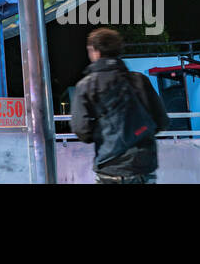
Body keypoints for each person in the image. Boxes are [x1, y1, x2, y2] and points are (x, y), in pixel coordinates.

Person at [69, 28, 169, 184]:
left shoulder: (86, 86)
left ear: (95, 51)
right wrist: (139, 133)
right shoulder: (139, 80)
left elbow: (82, 131)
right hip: (143, 165)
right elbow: (162, 121)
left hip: (110, 168)